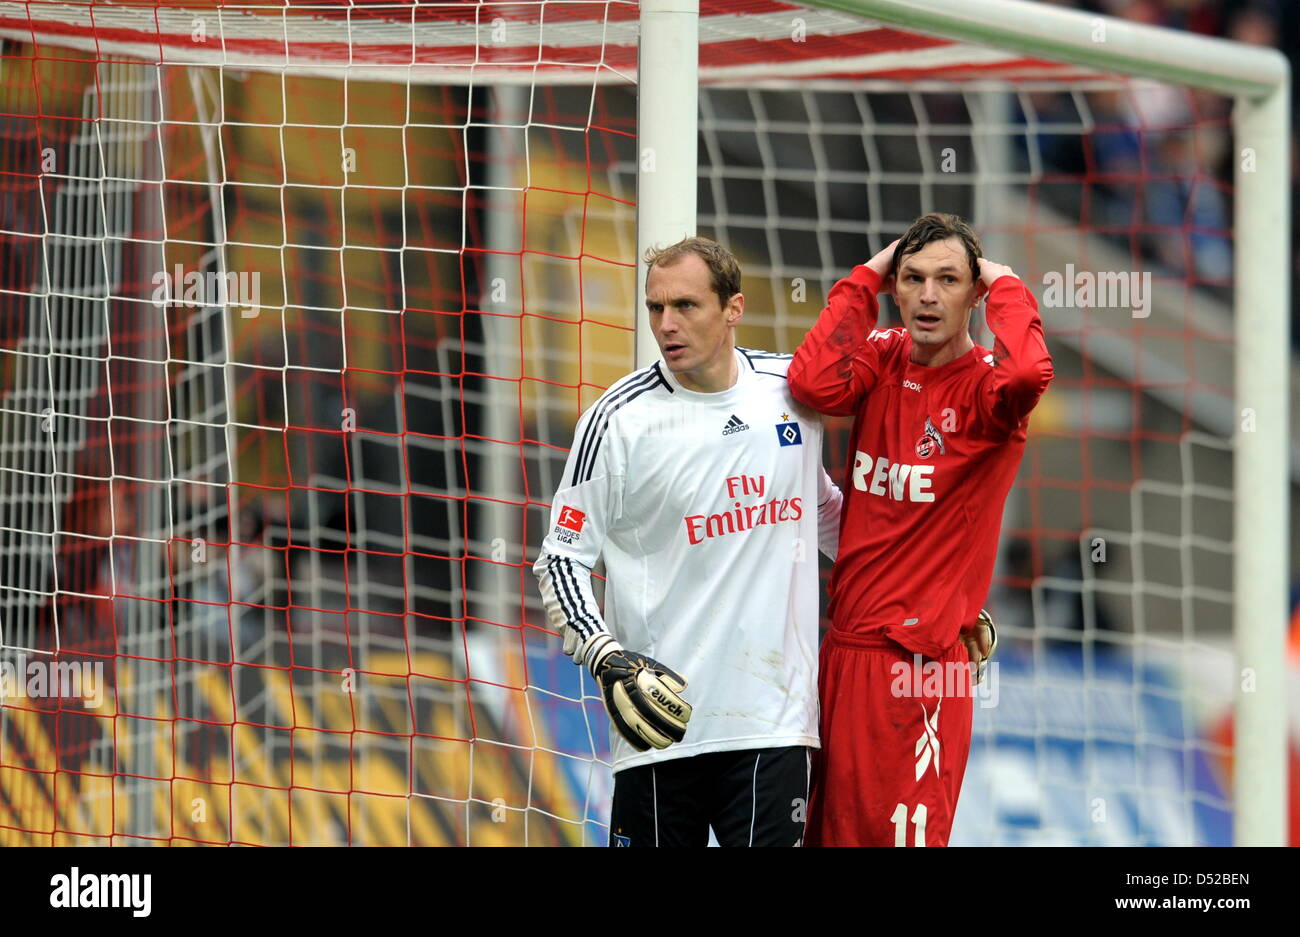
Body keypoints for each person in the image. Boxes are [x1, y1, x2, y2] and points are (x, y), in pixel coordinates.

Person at [533, 236, 842, 847]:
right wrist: (605, 657)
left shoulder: (792, 391)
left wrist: (934, 591)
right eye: (655, 308)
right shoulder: (618, 419)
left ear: (733, 307)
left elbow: (827, 512)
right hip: (658, 725)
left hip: (771, 726)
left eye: (685, 306)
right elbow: (561, 559)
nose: (666, 325)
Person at [787, 212, 1053, 846]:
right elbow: (811, 380)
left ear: (975, 293)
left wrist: (1008, 283)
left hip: (923, 668)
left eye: (949, 280)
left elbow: (1028, 373)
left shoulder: (991, 392)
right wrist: (867, 277)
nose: (928, 296)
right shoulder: (881, 359)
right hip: (842, 653)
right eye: (913, 278)